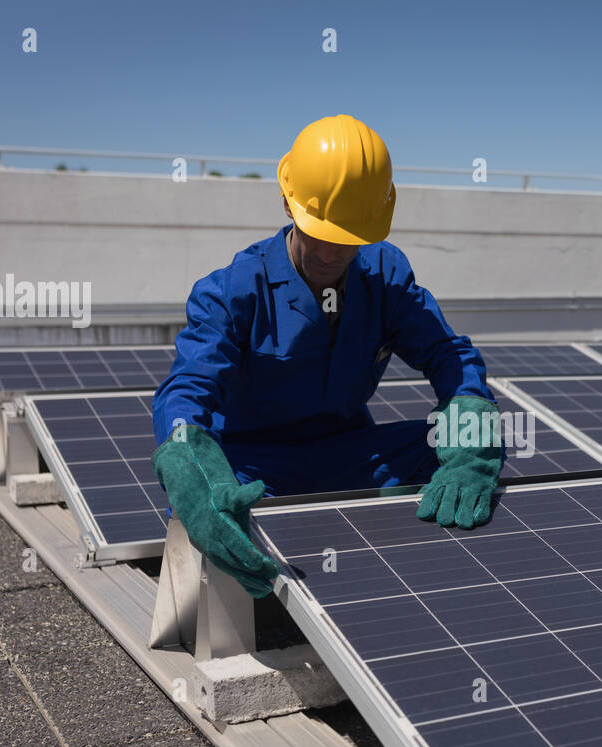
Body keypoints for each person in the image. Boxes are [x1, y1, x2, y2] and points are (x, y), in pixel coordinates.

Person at [150, 115, 504, 598]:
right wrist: (189, 459)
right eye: (318, 230)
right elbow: (186, 390)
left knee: (456, 445)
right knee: (211, 498)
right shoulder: (231, 291)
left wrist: (470, 431)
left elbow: (447, 352)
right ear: (287, 203)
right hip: (255, 467)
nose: (330, 252)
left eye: (348, 237)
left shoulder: (385, 275)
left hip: (349, 454)